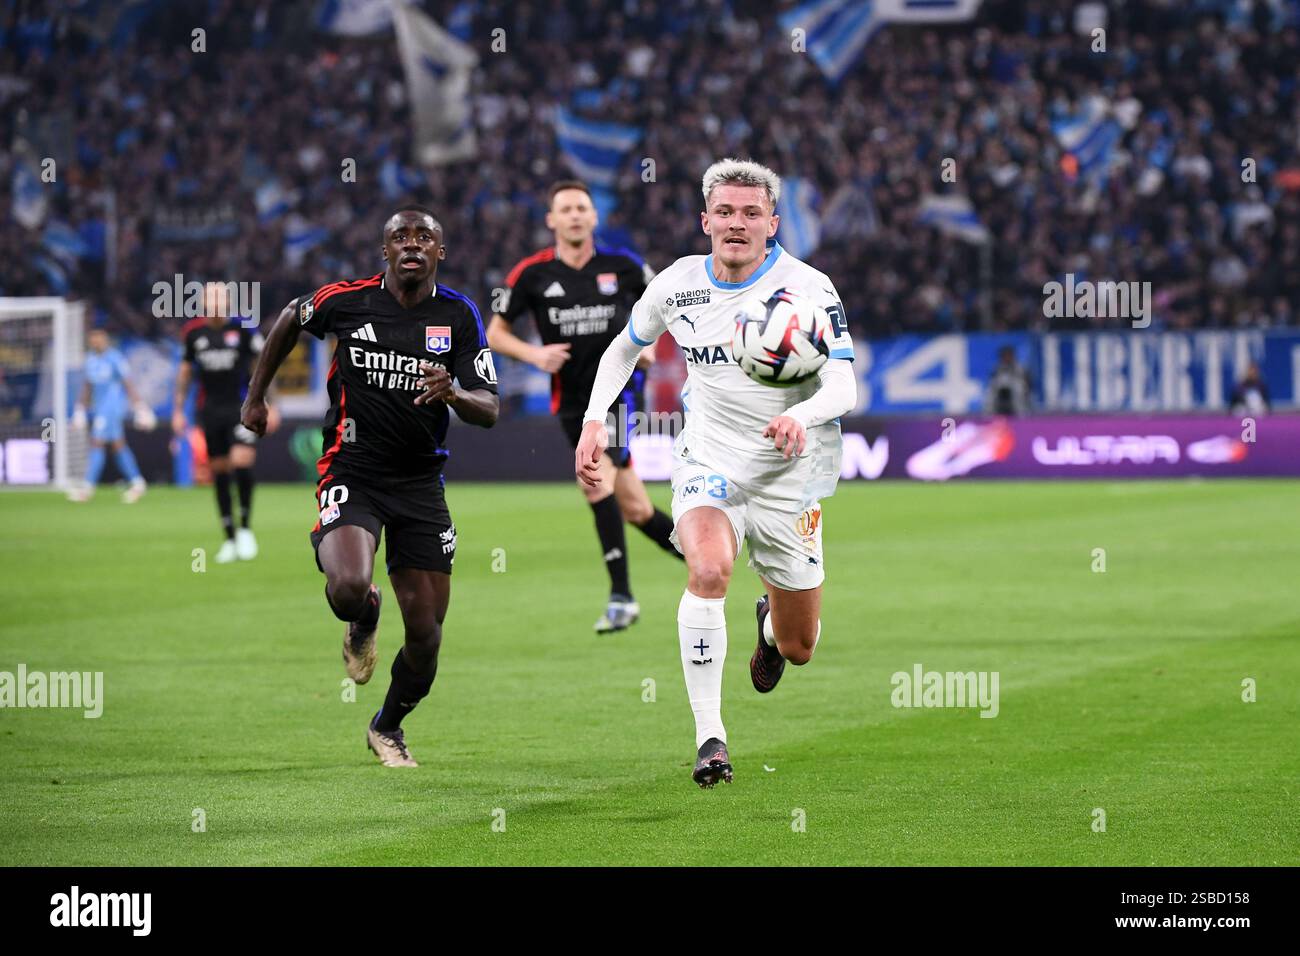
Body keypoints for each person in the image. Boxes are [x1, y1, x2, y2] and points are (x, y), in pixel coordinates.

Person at [574, 159, 857, 788]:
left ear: (772, 223)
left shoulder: (809, 287)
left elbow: (844, 381)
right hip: (709, 460)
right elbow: (623, 348)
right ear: (705, 220)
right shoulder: (676, 286)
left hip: (790, 473)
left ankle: (768, 625)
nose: (737, 223)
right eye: (725, 212)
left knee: (798, 646)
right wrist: (596, 418)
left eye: (751, 213)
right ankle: (711, 738)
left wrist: (803, 416)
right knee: (706, 570)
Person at [240, 205, 499, 768]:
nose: (412, 244)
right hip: (352, 471)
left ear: (440, 251)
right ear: (385, 251)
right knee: (348, 588)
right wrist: (256, 396)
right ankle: (365, 613)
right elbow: (289, 315)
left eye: (424, 236)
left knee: (427, 637)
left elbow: (491, 408)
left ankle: (387, 725)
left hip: (421, 485)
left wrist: (454, 392)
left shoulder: (459, 316)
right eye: (400, 237)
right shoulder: (346, 299)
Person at [488, 180, 682, 634]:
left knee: (594, 481)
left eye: (582, 207)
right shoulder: (531, 274)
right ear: (552, 220)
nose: (575, 215)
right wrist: (536, 356)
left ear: (594, 217)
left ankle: (621, 598)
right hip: (572, 403)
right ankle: (706, 558)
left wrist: (650, 344)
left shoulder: (625, 266)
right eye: (566, 209)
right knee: (634, 508)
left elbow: (668, 308)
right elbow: (495, 332)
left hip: (621, 393)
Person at [173, 283, 275, 563]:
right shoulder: (193, 333)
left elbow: (264, 363)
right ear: (203, 303)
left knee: (241, 462)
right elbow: (185, 372)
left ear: (229, 301)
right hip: (210, 410)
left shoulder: (243, 328)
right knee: (219, 470)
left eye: (221, 297)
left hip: (242, 408)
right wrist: (178, 410)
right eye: (211, 297)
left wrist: (268, 402)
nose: (216, 302)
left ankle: (245, 530)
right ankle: (229, 537)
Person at [69, 327, 150, 503]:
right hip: (99, 408)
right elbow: (88, 386)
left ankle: (87, 488)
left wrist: (139, 406)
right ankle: (137, 482)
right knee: (118, 446)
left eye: (99, 338)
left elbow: (127, 383)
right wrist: (79, 409)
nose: (96, 341)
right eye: (93, 338)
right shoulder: (90, 359)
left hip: (112, 408)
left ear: (105, 339)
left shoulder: (115, 358)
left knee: (97, 444)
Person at [984, 345, 1031, 415]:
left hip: (1016, 391)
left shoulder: (1020, 368)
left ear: (1013, 356)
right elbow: (992, 382)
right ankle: (989, 415)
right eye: (1005, 356)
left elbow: (1027, 383)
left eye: (1009, 355)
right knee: (990, 392)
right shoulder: (997, 368)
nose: (1007, 358)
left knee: (1018, 387)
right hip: (1000, 392)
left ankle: (1021, 414)